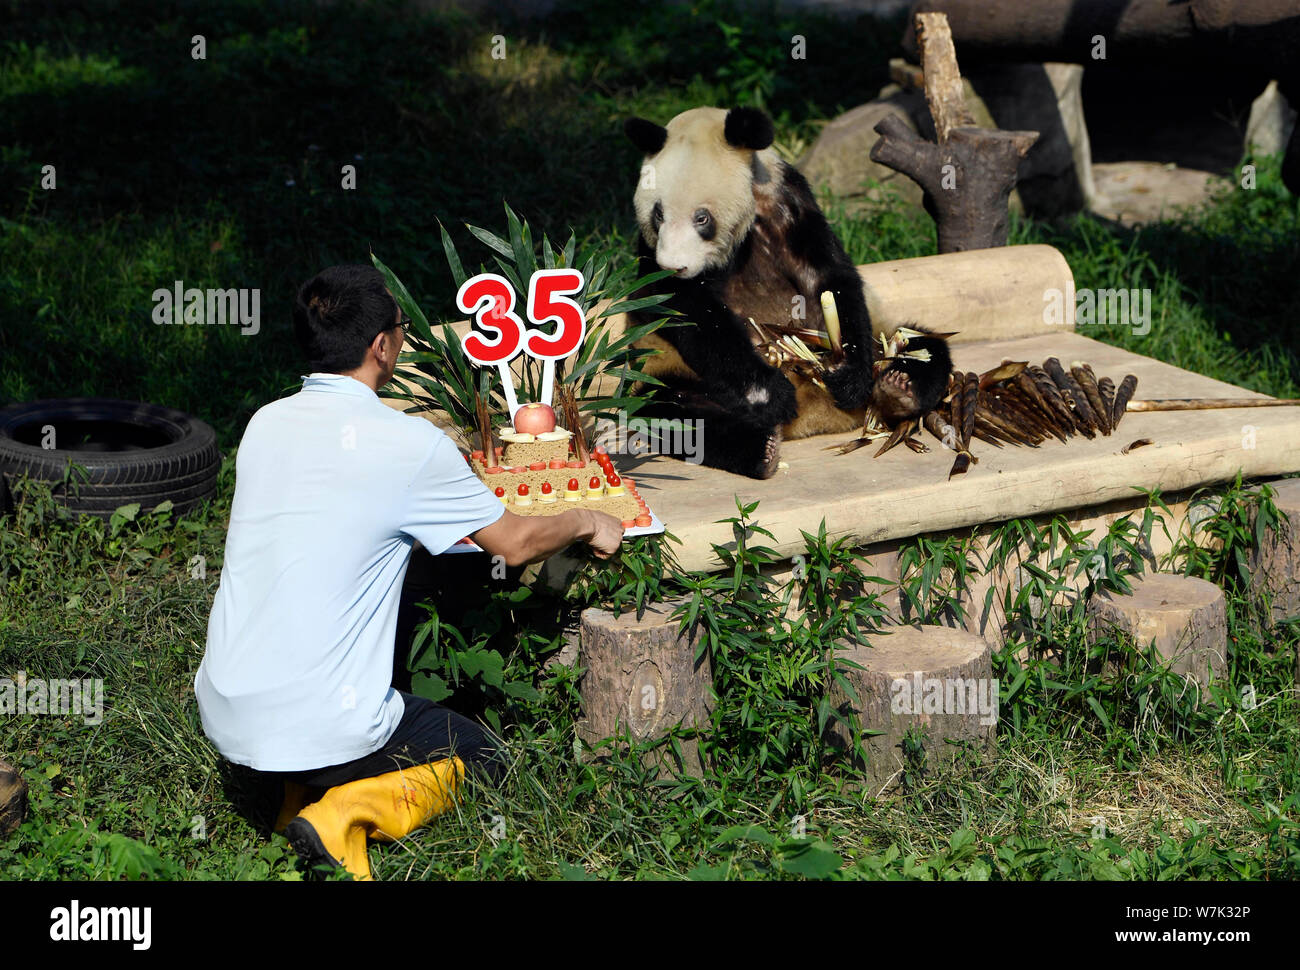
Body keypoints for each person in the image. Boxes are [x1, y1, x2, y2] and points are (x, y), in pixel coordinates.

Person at [193, 264, 624, 880]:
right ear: (381, 346)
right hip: (321, 728)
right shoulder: (408, 444)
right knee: (487, 759)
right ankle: (344, 814)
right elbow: (518, 543)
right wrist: (586, 518)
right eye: (400, 328)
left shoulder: (264, 423)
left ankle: (292, 799)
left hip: (228, 715)